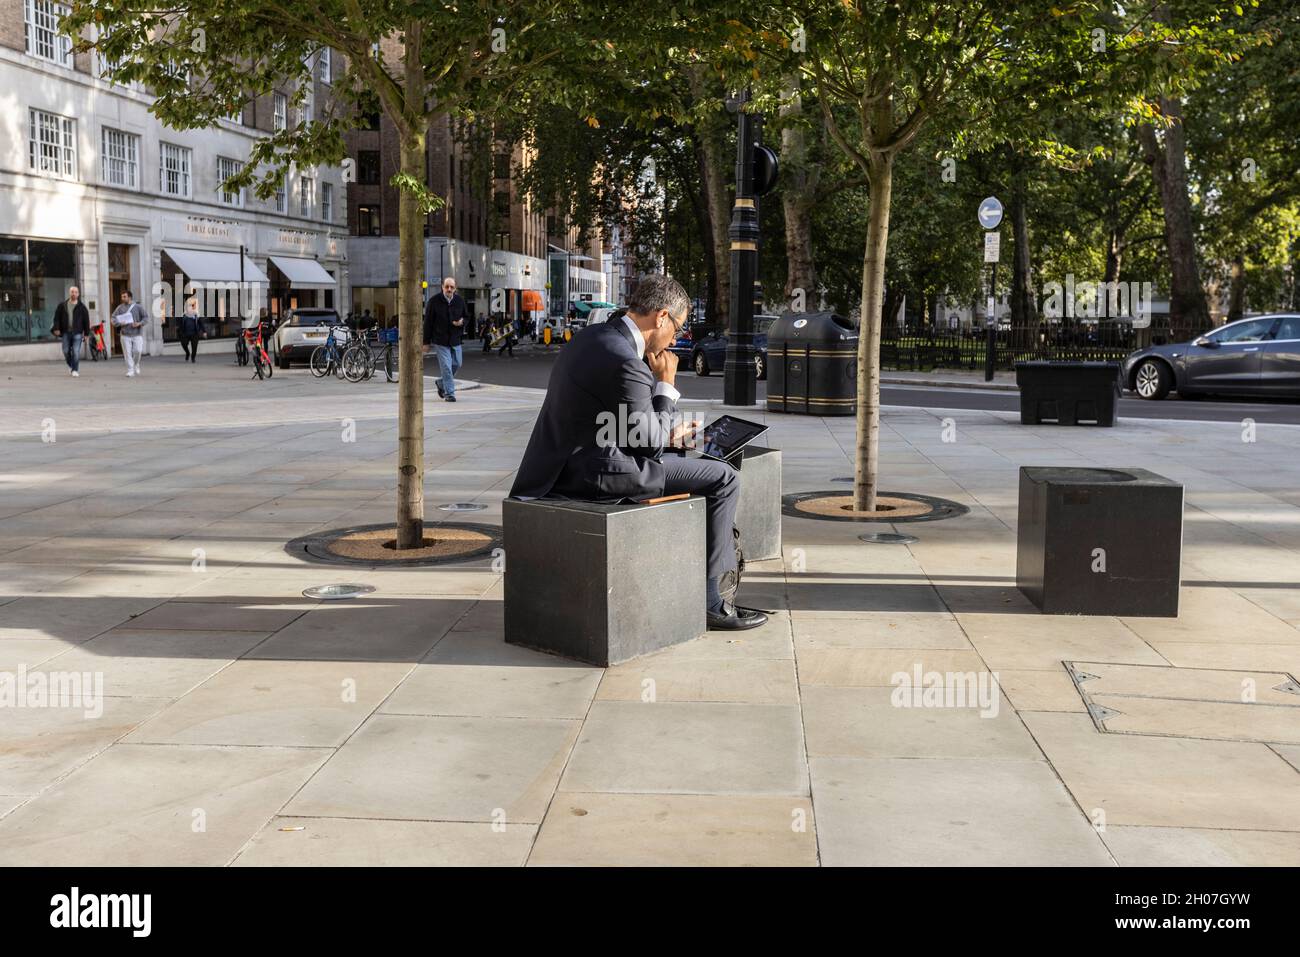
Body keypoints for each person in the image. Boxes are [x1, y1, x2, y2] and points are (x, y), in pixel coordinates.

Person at [510, 274, 766, 631]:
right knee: (724, 478)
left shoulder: (596, 337)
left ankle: (698, 581)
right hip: (594, 474)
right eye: (677, 327)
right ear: (660, 317)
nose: (676, 339)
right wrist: (667, 385)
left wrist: (666, 431)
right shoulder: (625, 360)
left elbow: (624, 422)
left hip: (567, 461)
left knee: (689, 458)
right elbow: (647, 444)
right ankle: (711, 602)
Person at [423, 277, 466, 401]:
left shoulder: (459, 301)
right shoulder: (433, 301)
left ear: (455, 288)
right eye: (447, 286)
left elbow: (467, 316)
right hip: (440, 340)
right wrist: (426, 342)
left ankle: (441, 383)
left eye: (451, 287)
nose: (449, 289)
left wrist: (462, 322)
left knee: (457, 363)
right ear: (442, 287)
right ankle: (449, 394)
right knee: (446, 367)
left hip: (455, 339)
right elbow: (428, 323)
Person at [51, 285, 91, 377]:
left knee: (76, 351)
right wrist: (57, 328)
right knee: (65, 351)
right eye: (72, 292)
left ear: (78, 294)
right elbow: (56, 318)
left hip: (77, 333)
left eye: (76, 292)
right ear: (69, 293)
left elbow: (86, 320)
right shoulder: (62, 305)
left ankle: (75, 370)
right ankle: (71, 365)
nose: (74, 294)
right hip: (65, 332)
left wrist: (86, 333)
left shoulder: (82, 307)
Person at [112, 290, 148, 377]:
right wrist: (120, 323)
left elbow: (146, 317)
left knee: (138, 351)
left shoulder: (138, 307)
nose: (122, 298)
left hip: (137, 333)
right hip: (125, 334)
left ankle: (136, 364)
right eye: (122, 297)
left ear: (129, 297)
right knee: (127, 353)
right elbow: (113, 318)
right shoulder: (120, 308)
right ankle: (130, 370)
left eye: (124, 296)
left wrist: (139, 323)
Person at [178, 298, 204, 362]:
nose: (190, 308)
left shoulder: (196, 315)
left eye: (191, 306)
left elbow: (201, 323)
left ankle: (193, 358)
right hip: (185, 333)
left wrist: (204, 331)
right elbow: (180, 323)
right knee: (183, 344)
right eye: (188, 306)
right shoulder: (183, 315)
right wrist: (180, 331)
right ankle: (187, 353)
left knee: (194, 347)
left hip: (194, 333)